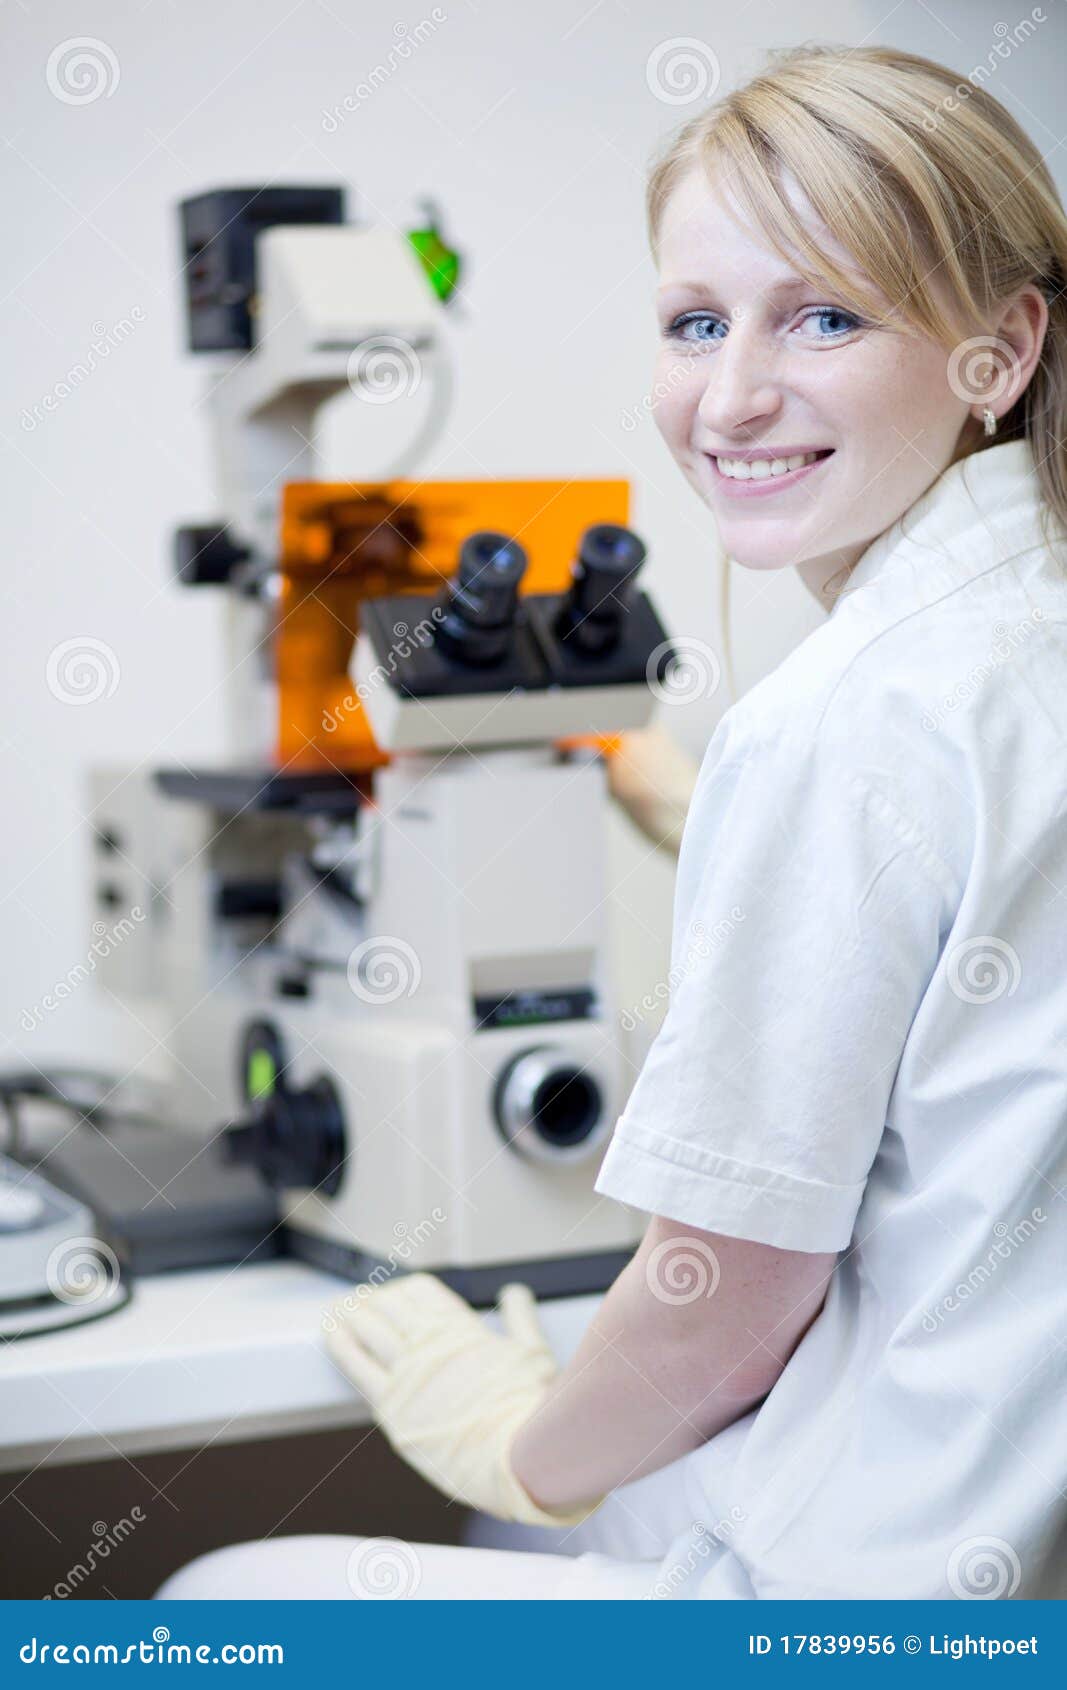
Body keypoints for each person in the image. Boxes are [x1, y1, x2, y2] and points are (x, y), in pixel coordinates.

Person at [158, 43, 1067, 1601]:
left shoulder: (844, 719)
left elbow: (725, 1300)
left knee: (213, 1599)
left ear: (1003, 348)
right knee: (539, 1539)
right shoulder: (995, 642)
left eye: (824, 316)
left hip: (873, 1619)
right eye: (696, 322)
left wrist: (515, 1434)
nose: (733, 398)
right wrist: (709, 799)